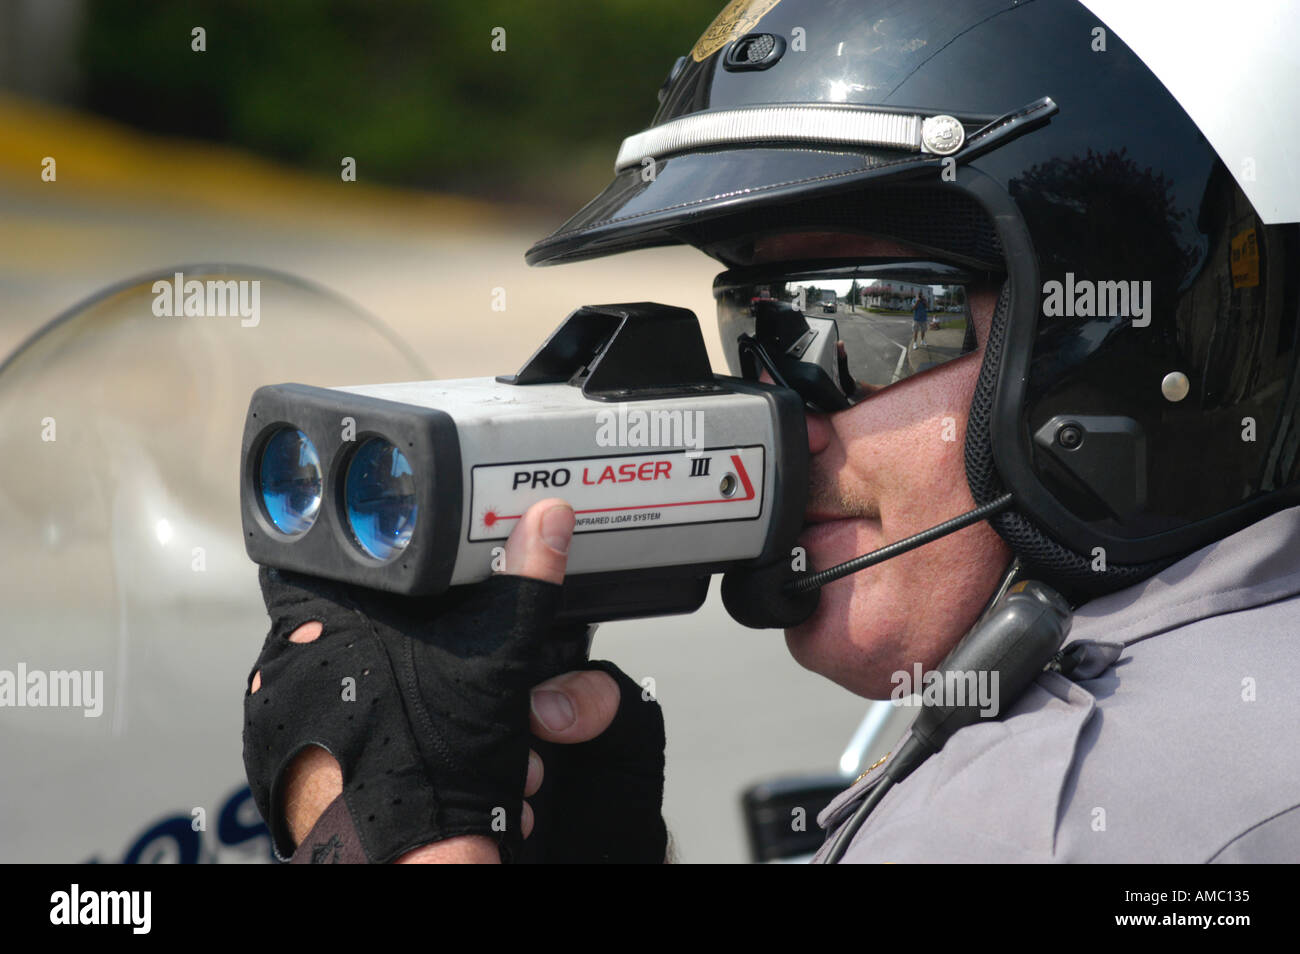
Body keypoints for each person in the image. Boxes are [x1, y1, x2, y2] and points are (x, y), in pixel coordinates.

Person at [244, 0, 1300, 862]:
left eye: (860, 321)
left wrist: (391, 839)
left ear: (1112, 338)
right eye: (756, 325)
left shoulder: (1037, 815)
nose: (778, 412)